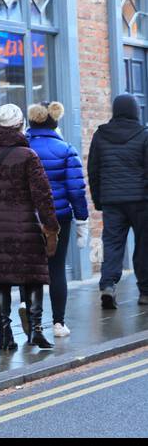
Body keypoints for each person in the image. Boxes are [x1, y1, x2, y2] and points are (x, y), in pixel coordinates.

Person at [0, 104, 60, 350]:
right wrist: (51, 228)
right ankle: (36, 330)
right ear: (20, 126)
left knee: (0, 281)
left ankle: (5, 334)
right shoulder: (28, 156)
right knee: (33, 276)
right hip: (24, 227)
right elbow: (43, 196)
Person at [24, 102, 89, 337]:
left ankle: (32, 321)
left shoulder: (22, 148)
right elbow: (76, 190)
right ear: (55, 122)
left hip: (27, 217)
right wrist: (82, 219)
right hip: (58, 217)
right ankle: (58, 324)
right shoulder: (66, 150)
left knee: (29, 269)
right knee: (56, 268)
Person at [87, 94, 148, 309]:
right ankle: (145, 292)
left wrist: (98, 200)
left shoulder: (100, 135)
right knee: (144, 245)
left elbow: (93, 170)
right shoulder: (144, 134)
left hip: (112, 201)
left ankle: (108, 285)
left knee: (112, 244)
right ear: (135, 111)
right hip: (141, 201)